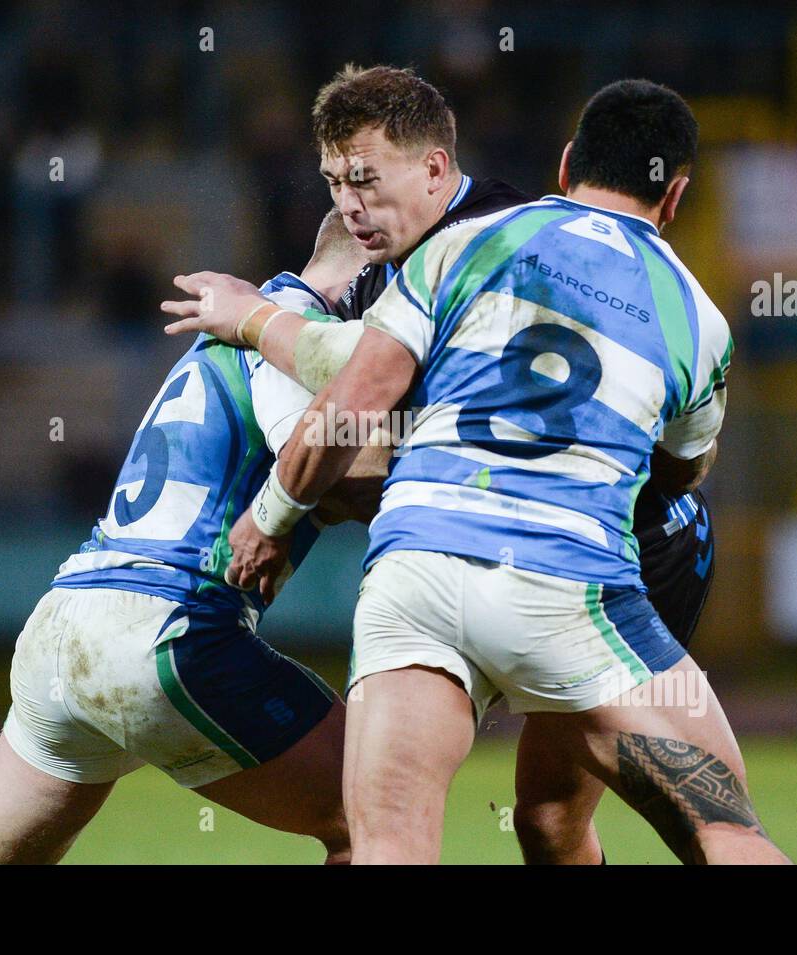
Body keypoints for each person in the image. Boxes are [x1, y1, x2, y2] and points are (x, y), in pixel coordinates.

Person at [163, 69, 724, 863]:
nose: (349, 205)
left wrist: (258, 322)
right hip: (509, 547)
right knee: (534, 825)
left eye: (365, 180)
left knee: (535, 818)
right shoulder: (382, 259)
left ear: (433, 169)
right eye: (333, 183)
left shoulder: (493, 233)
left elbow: (366, 388)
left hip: (636, 547)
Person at [0, 213, 372, 864]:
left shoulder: (242, 328)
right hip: (163, 629)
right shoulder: (302, 336)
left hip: (67, 622)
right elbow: (327, 471)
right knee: (378, 811)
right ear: (378, 271)